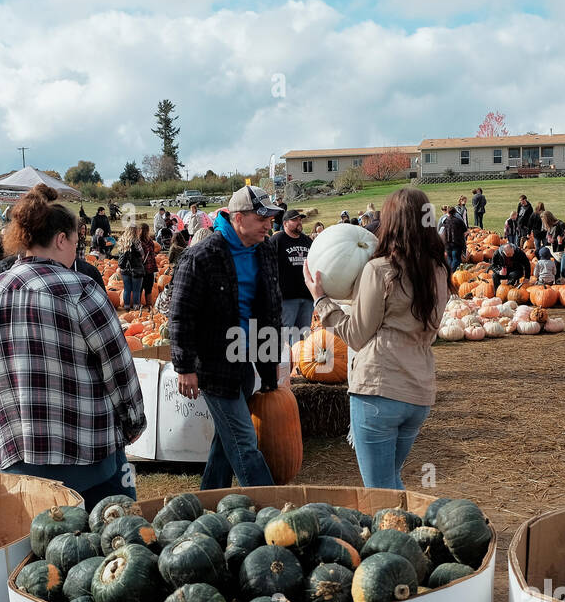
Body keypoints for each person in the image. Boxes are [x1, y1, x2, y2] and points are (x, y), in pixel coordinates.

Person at [0, 183, 144, 507]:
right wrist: (133, 421)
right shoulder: (82, 289)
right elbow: (117, 366)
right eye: (76, 243)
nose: (76, 251)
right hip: (90, 455)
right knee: (110, 542)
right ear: (61, 239)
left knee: (37, 552)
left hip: (18, 456)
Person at [303, 187, 448, 489]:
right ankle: (408, 532)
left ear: (391, 222)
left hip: (380, 390)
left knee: (378, 491)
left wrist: (322, 301)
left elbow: (355, 336)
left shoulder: (380, 270)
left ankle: (398, 534)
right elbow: (431, 331)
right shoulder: (438, 271)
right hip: (419, 392)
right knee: (390, 481)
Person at [170, 185, 283, 490]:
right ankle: (269, 506)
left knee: (226, 439)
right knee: (245, 441)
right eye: (262, 217)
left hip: (246, 364)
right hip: (214, 365)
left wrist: (271, 364)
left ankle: (209, 498)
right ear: (238, 217)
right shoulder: (201, 257)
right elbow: (180, 315)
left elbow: (271, 307)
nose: (268, 224)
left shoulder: (265, 250)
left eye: (271, 218)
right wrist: (185, 368)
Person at [270, 209, 314, 339]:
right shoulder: (277, 240)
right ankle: (284, 360)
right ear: (285, 223)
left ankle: (301, 360)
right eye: (294, 220)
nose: (299, 222)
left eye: (300, 219)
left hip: (306, 296)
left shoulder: (307, 241)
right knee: (285, 337)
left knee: (304, 338)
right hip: (286, 298)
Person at [116, 226, 144, 310]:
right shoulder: (136, 242)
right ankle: (136, 307)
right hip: (136, 269)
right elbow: (142, 254)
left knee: (127, 289)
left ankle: (126, 306)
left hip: (125, 269)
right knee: (136, 290)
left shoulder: (123, 241)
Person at [441, 206, 467, 273]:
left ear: (448, 212)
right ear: (455, 212)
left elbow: (441, 231)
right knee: (456, 258)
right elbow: (465, 231)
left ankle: (450, 272)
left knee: (450, 258)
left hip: (447, 242)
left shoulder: (445, 221)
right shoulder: (459, 221)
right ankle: (452, 272)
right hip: (457, 242)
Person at [139, 223, 158, 311]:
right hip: (150, 267)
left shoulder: (138, 242)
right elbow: (152, 252)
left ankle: (138, 305)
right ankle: (149, 305)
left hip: (141, 267)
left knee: (140, 287)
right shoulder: (150, 241)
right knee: (148, 287)